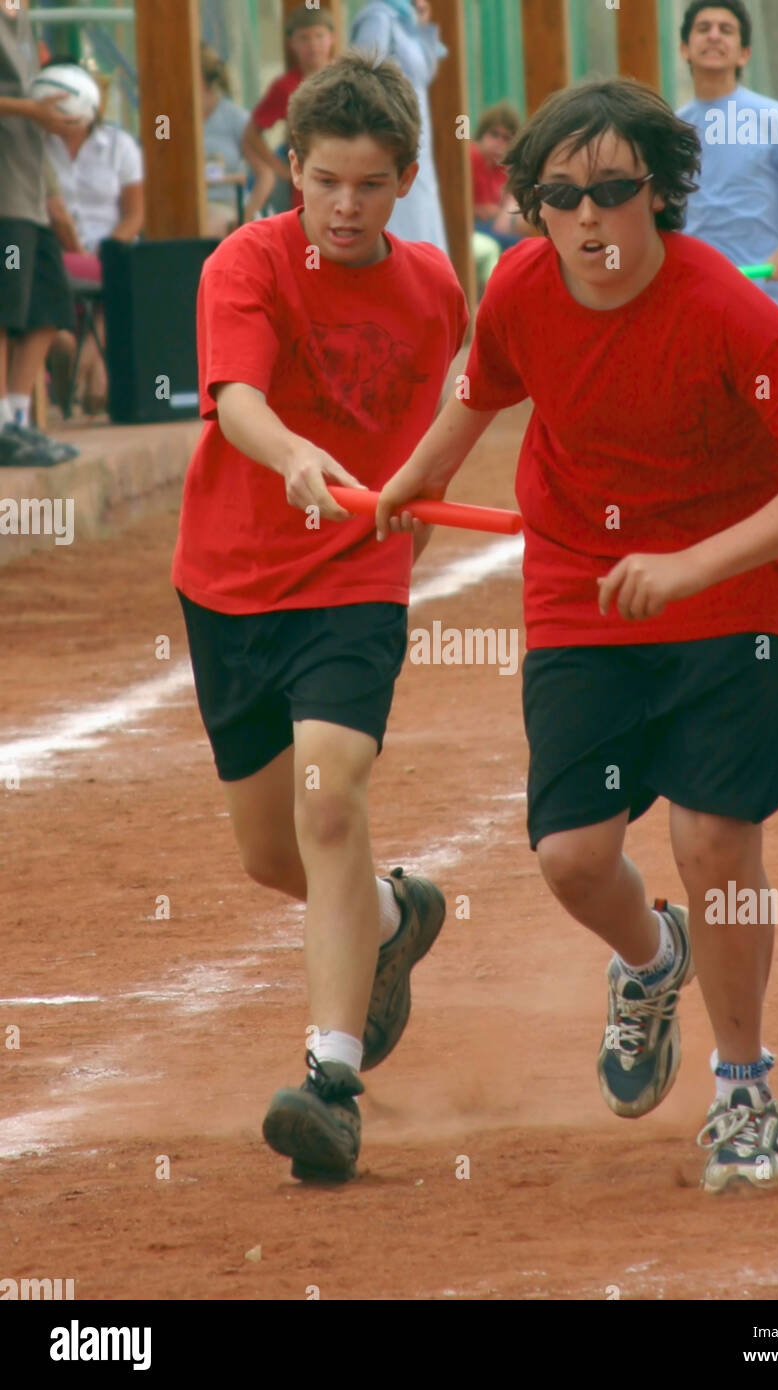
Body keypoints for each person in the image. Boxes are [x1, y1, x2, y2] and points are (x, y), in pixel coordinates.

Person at [375, 76, 778, 1194]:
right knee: (570, 856)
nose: (591, 216)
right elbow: (482, 384)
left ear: (658, 193)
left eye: (615, 190)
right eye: (563, 196)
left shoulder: (724, 309)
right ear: (534, 210)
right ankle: (648, 962)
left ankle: (743, 1083)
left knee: (716, 843)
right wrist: (405, 492)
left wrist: (688, 566)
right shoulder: (518, 289)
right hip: (578, 581)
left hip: (725, 592)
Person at [171, 51, 468, 1183]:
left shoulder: (436, 284)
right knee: (272, 854)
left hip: (352, 575)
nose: (344, 207)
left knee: (329, 796)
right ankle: (394, 918)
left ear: (404, 180)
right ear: (291, 169)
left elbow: (442, 414)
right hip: (228, 579)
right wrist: (295, 453)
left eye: (370, 184)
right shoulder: (243, 263)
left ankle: (330, 1077)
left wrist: (406, 540)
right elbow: (238, 400)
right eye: (324, 181)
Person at [676, 0, 778, 320]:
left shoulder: (774, 118)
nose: (713, 36)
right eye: (703, 28)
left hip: (766, 294)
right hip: (698, 295)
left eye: (726, 30)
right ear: (684, 49)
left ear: (744, 54)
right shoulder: (672, 130)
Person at [0, 0, 79, 466]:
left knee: (49, 304)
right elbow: (26, 102)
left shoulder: (21, 16)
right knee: (4, 310)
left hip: (31, 188)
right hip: (5, 190)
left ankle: (17, 420)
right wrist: (30, 110)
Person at [44, 61, 144, 415]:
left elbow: (135, 214)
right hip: (53, 250)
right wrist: (78, 249)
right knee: (112, 286)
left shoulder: (120, 145)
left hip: (107, 251)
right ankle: (91, 371)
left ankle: (74, 365)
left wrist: (107, 249)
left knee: (119, 274)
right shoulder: (35, 146)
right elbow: (54, 215)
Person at [351, 0, 447, 251]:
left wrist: (421, 24)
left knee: (422, 220)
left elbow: (424, 72)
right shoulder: (378, 18)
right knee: (403, 220)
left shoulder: (404, 19)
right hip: (390, 143)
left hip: (417, 141)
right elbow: (364, 81)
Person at [241, 7, 335, 214]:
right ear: (292, 43)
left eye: (319, 36)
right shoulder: (285, 86)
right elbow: (251, 134)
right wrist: (280, 169)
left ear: (332, 38)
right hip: (305, 180)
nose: (313, 44)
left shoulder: (347, 79)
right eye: (304, 38)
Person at [201, 43, 276, 238]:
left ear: (205, 82)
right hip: (180, 209)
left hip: (223, 208)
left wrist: (245, 218)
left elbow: (265, 174)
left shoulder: (234, 119)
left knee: (206, 227)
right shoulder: (169, 120)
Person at [471, 101, 533, 250]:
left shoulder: (503, 167)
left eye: (506, 138)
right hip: (468, 228)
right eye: (494, 134)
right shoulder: (471, 157)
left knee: (526, 239)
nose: (499, 142)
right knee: (519, 246)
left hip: (492, 226)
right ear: (482, 133)